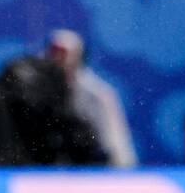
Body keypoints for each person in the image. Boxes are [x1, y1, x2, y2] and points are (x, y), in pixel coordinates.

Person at [47, 29, 137, 168]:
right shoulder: (39, 92)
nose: (58, 59)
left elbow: (115, 141)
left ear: (78, 56)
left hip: (92, 172)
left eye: (63, 53)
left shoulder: (98, 94)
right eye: (54, 52)